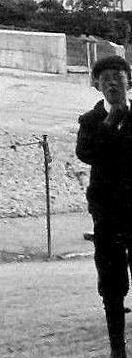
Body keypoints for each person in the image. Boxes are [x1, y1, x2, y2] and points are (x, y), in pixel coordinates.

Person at [76, 55, 132, 358]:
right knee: (112, 284)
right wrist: (110, 123)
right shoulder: (90, 121)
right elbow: (86, 154)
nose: (112, 82)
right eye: (106, 77)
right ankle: (117, 349)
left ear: (129, 81)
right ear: (97, 85)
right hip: (107, 214)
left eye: (119, 76)